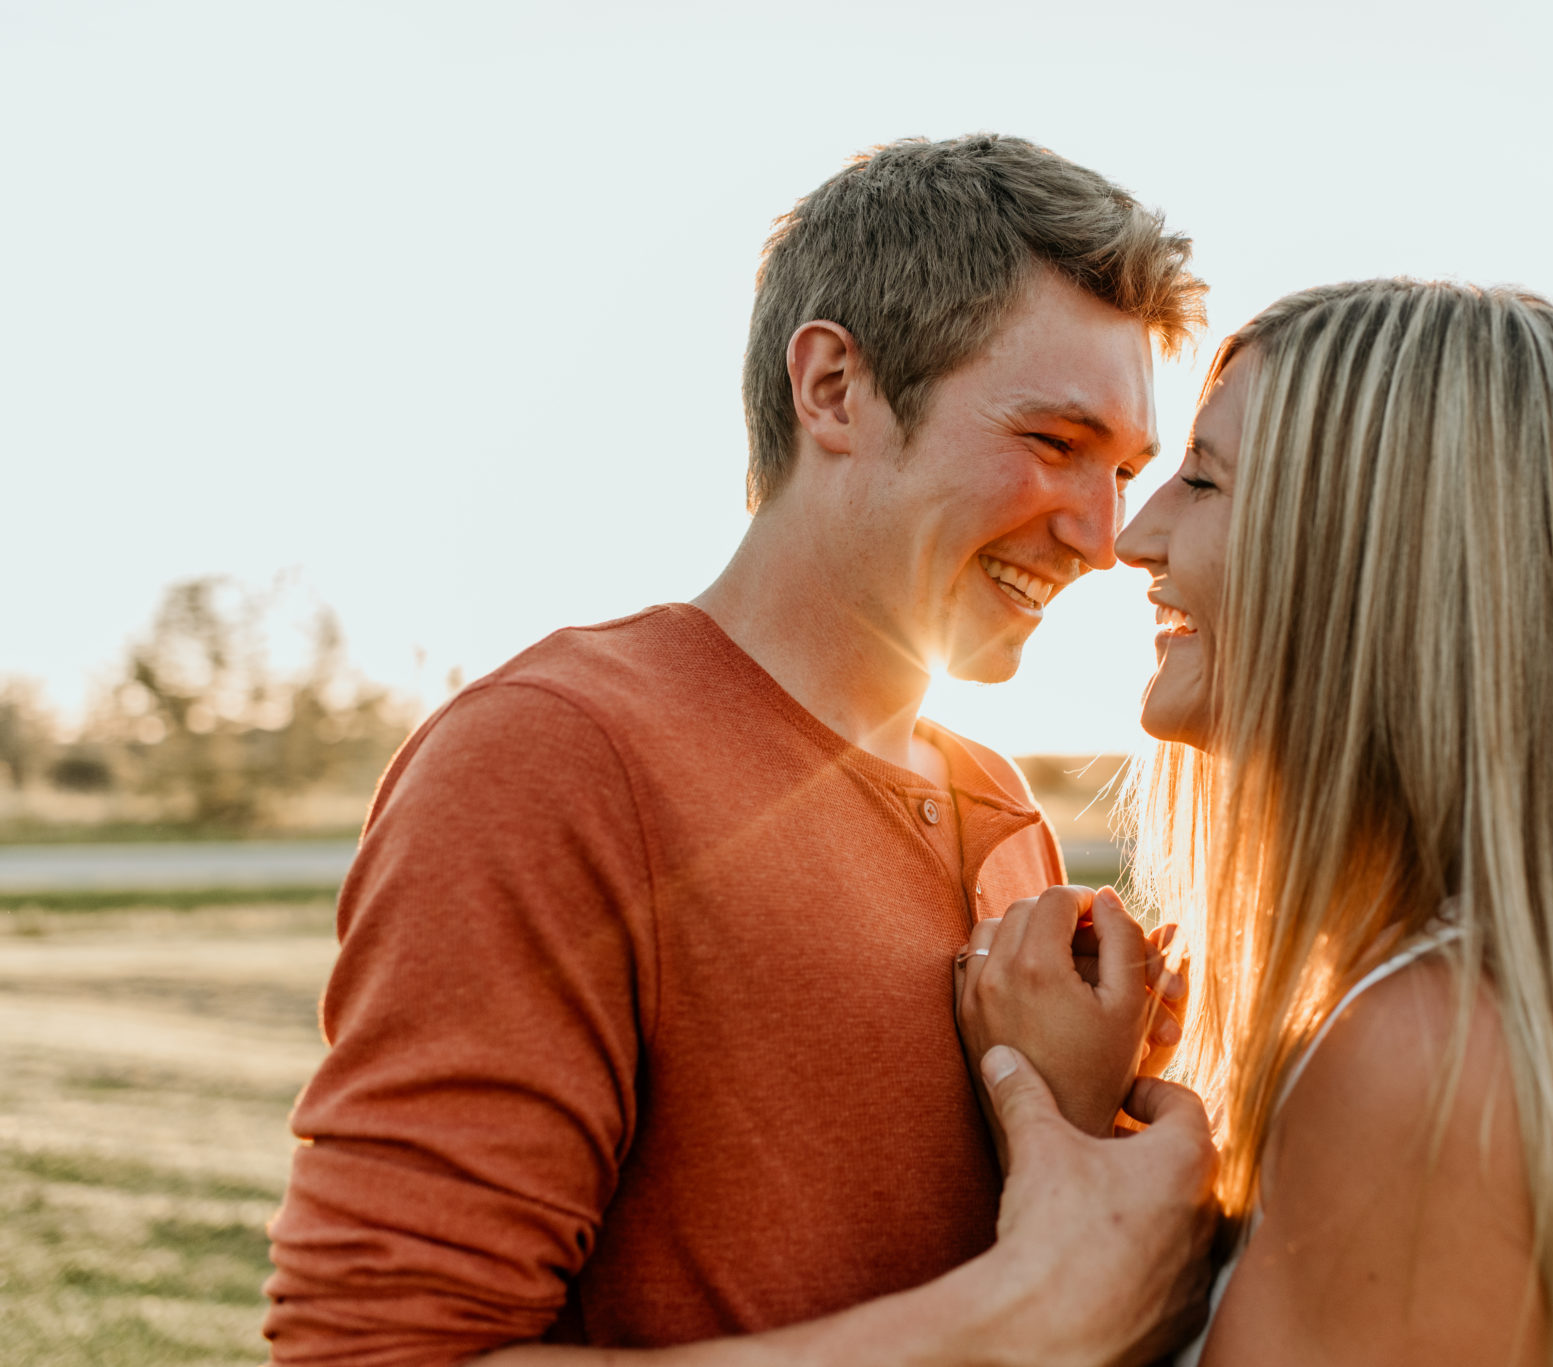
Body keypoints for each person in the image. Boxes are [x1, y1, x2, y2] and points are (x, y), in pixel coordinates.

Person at [263, 134, 1216, 1366]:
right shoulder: (556, 758)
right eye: (1053, 443)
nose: (1099, 536)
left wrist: (1091, 1120)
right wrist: (1022, 1318)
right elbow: (375, 1353)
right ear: (830, 388)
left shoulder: (999, 808)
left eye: (1129, 468)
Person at [960, 280, 1553, 1366]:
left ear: (1370, 557)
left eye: (1200, 478)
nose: (1134, 536)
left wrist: (1048, 1125)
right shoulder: (1444, 1008)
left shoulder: (1422, 1059)